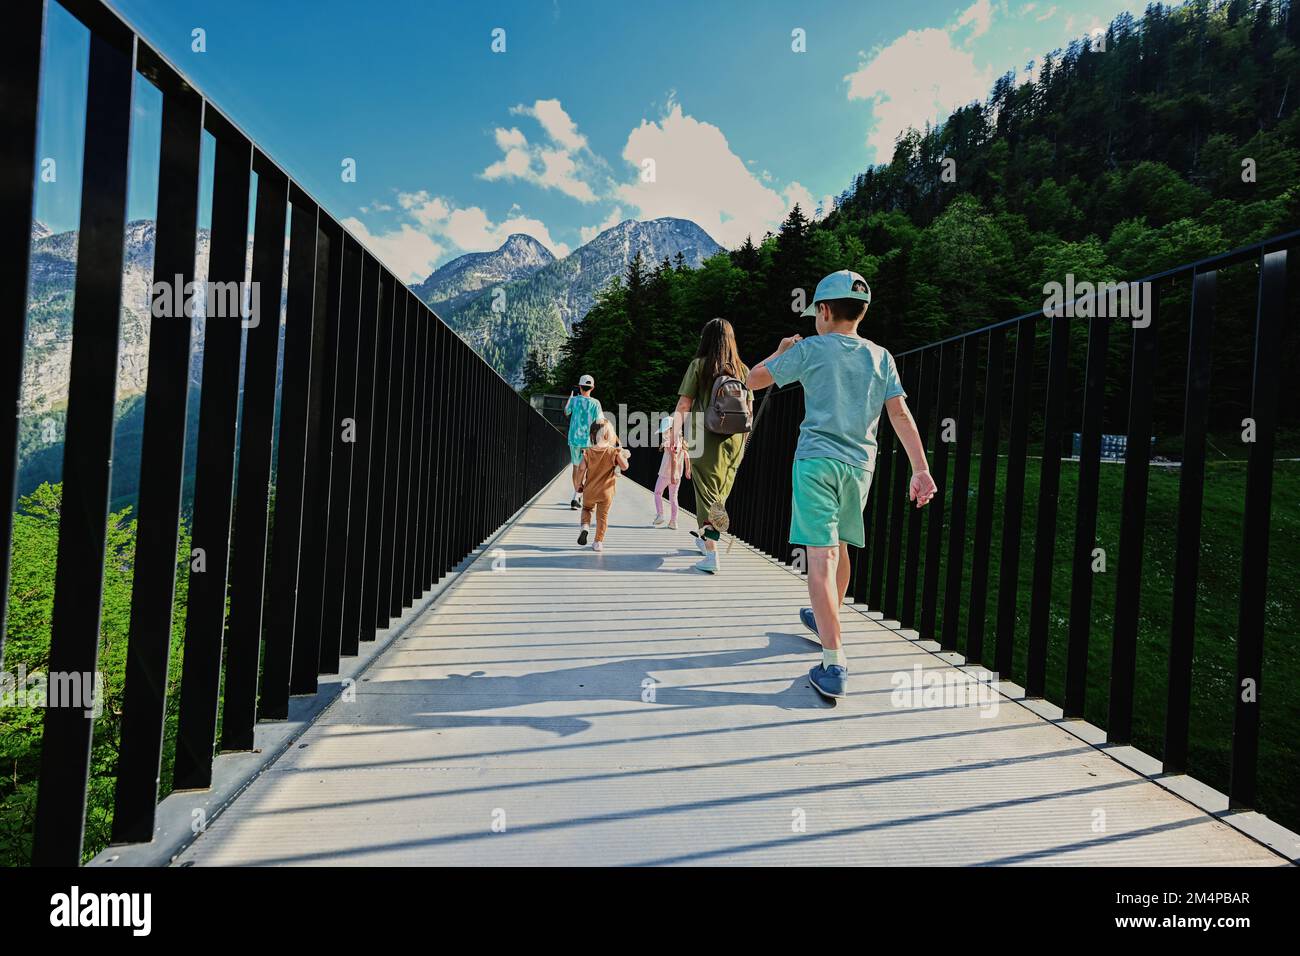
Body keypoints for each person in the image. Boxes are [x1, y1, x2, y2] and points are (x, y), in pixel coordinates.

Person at [747, 270, 936, 701]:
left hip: (816, 463)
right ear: (862, 313)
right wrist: (920, 469)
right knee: (841, 546)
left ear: (825, 311)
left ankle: (833, 662)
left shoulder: (810, 349)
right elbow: (900, 416)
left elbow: (756, 379)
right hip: (860, 468)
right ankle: (826, 616)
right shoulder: (881, 356)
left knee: (821, 557)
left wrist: (780, 353)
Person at [670, 318, 750, 574]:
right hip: (734, 441)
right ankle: (707, 539)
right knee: (719, 495)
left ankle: (712, 554)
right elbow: (749, 410)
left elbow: (684, 405)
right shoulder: (744, 370)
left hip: (703, 438)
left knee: (707, 495)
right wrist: (743, 444)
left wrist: (674, 435)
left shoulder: (699, 366)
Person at [574, 418, 630, 553]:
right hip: (607, 492)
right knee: (602, 517)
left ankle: (585, 528)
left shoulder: (588, 452)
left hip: (590, 491)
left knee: (587, 509)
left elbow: (581, 469)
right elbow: (625, 466)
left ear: (592, 435)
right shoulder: (613, 452)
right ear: (609, 435)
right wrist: (620, 455)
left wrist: (578, 484)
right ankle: (598, 542)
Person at [564, 373, 603, 510]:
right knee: (586, 469)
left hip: (574, 439)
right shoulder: (595, 403)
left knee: (575, 467)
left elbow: (566, 412)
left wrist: (570, 398)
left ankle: (576, 494)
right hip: (588, 442)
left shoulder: (574, 401)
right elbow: (600, 422)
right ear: (592, 388)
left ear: (580, 387)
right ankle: (578, 496)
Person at [651, 415, 690, 530]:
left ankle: (660, 515)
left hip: (666, 474)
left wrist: (673, 474)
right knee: (673, 497)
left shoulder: (670, 442)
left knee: (658, 492)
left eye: (665, 431)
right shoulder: (681, 441)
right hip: (678, 475)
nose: (664, 434)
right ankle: (673, 522)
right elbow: (686, 456)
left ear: (672, 430)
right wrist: (687, 469)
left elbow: (673, 458)